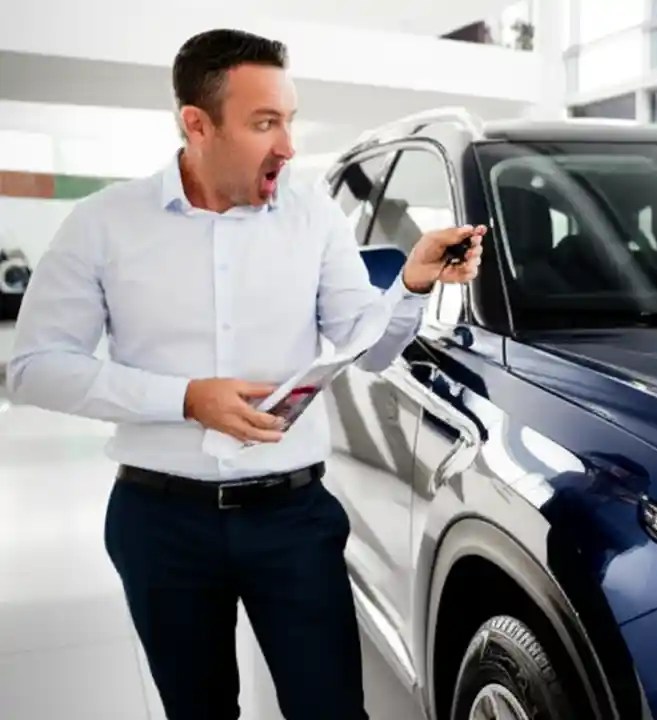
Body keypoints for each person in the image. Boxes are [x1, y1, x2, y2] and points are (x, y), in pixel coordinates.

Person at [5, 28, 485, 720]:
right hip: (159, 523)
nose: (288, 145)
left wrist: (409, 285)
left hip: (293, 520)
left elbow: (368, 347)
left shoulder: (313, 216)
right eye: (265, 123)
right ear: (196, 125)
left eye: (288, 119)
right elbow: (34, 368)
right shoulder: (103, 224)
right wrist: (185, 399)